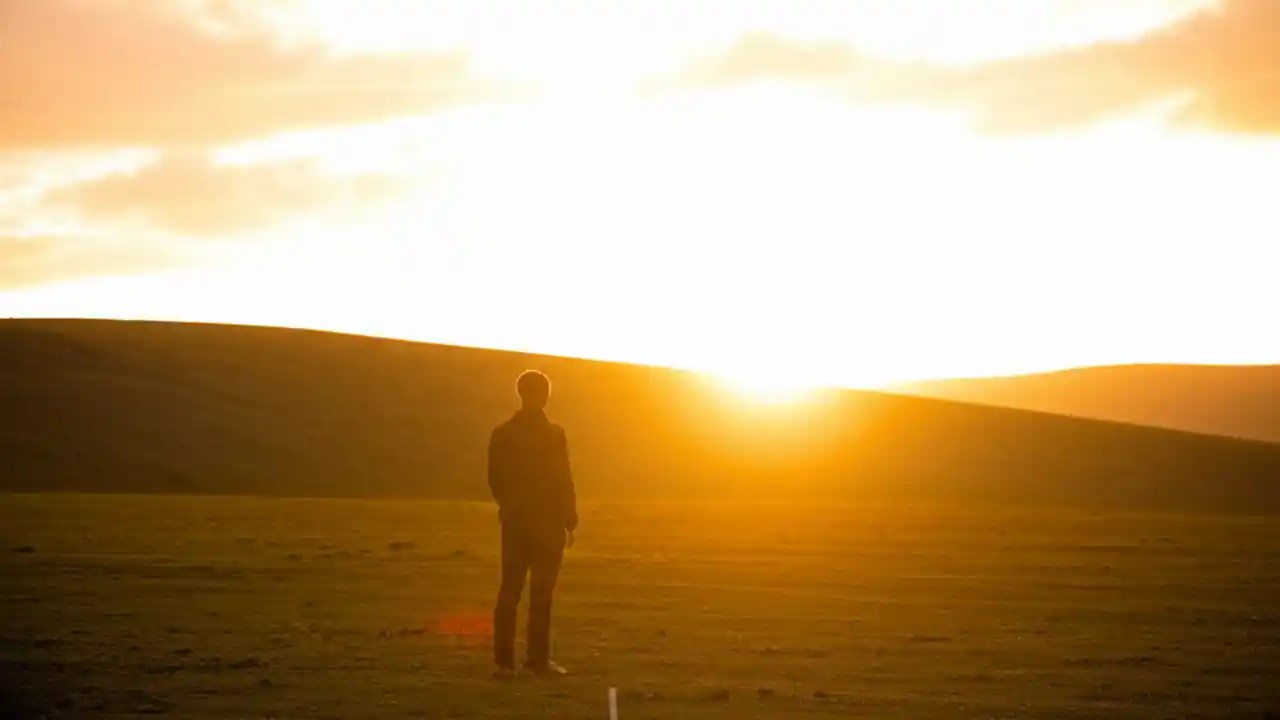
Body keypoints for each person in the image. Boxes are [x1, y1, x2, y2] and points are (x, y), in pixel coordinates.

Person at [488, 370, 578, 677]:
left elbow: (495, 480)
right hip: (548, 522)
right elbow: (563, 478)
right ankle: (536, 659)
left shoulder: (502, 434)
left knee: (509, 590)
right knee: (542, 593)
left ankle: (503, 662)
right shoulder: (554, 435)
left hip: (515, 522)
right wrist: (570, 517)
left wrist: (511, 508)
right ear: (545, 395)